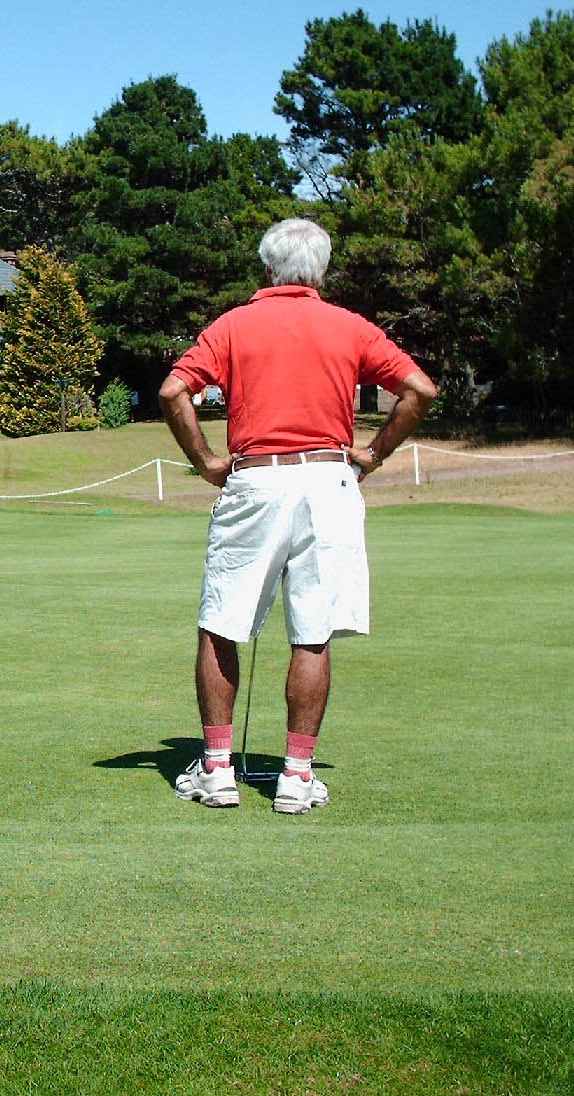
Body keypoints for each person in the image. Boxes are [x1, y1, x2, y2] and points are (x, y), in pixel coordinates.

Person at [158, 219, 436, 814]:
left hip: (255, 477)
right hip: (328, 481)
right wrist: (374, 454)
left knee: (222, 623)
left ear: (267, 269)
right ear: (322, 272)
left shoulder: (233, 324)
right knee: (312, 630)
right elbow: (420, 390)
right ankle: (297, 776)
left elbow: (172, 391)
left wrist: (206, 461)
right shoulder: (351, 327)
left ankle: (216, 770)